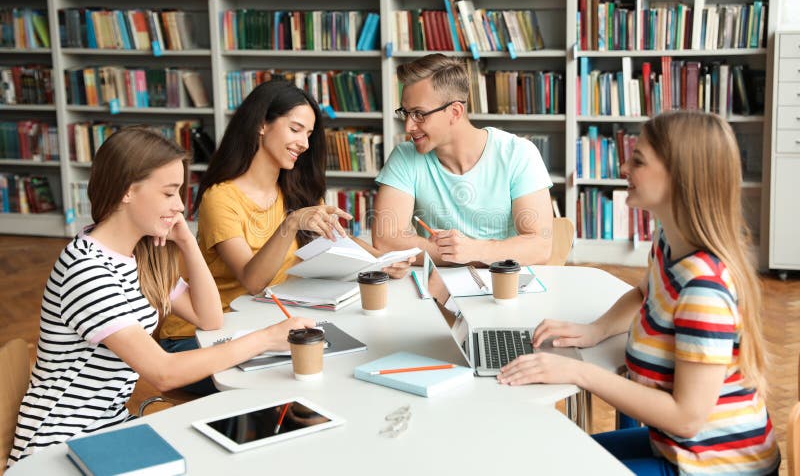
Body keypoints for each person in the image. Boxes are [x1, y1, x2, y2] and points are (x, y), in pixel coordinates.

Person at [7, 127, 314, 466]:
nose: (179, 205)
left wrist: (187, 242)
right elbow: (164, 373)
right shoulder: (87, 271)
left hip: (108, 429)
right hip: (57, 448)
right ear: (127, 190)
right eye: (168, 193)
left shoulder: (137, 257)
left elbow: (209, 319)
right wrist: (266, 339)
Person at [497, 111, 780, 475]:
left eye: (638, 161)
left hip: (713, 465)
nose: (623, 167)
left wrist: (578, 372)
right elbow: (645, 293)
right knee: (555, 459)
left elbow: (686, 418)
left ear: (680, 178)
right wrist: (595, 330)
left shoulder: (704, 289)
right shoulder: (669, 243)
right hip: (676, 448)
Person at [159, 80, 411, 394]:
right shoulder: (220, 198)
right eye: (295, 129)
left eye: (308, 134)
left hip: (260, 325)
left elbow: (338, 238)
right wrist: (290, 224)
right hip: (199, 337)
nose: (304, 143)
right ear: (262, 124)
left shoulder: (295, 189)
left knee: (342, 359)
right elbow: (253, 281)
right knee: (304, 378)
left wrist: (381, 260)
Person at [372, 53, 554, 266]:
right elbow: (385, 241)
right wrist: (464, 254)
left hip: (502, 281)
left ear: (455, 111)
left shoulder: (519, 153)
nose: (408, 126)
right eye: (406, 113)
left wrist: (473, 251)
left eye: (419, 114)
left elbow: (540, 246)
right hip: (437, 282)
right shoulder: (404, 157)